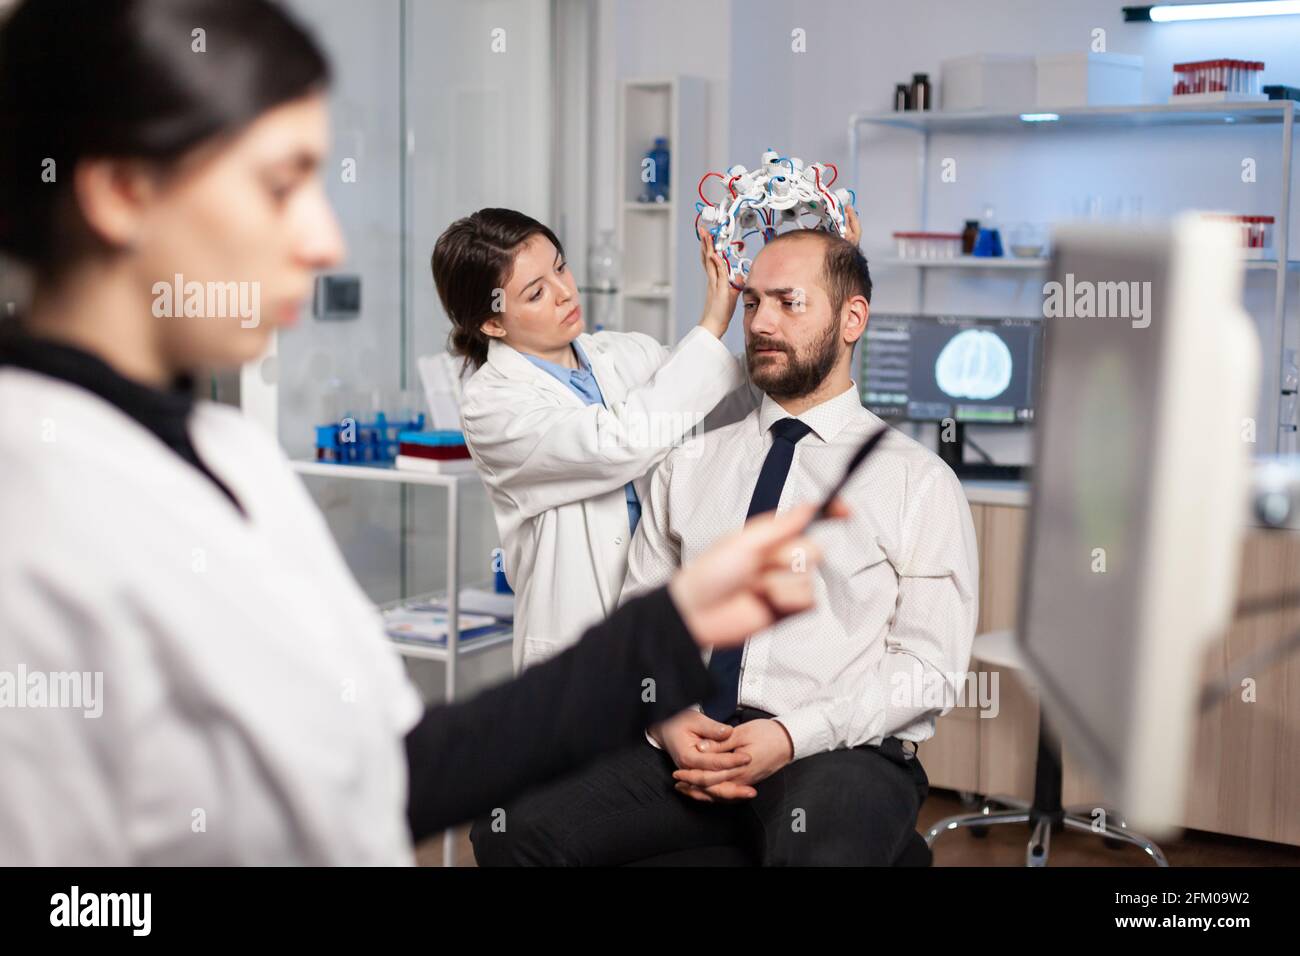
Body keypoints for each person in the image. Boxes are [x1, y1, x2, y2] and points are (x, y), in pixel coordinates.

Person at [0, 0, 836, 865]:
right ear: (121, 194)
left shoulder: (227, 454)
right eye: (279, 186)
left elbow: (385, 768)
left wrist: (666, 627)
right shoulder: (30, 502)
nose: (324, 241)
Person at [472, 229, 980, 866]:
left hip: (832, 750)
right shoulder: (690, 461)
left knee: (819, 846)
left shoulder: (915, 479)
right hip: (693, 738)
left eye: (789, 303)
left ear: (852, 319)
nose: (762, 323)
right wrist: (667, 716)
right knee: (511, 828)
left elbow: (928, 668)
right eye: (752, 303)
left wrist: (791, 736)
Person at [433, 205, 859, 670]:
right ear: (492, 323)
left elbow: (723, 404)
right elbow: (621, 443)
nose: (564, 292)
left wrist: (827, 299)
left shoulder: (622, 353)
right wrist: (712, 322)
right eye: (536, 293)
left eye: (560, 267)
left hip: (666, 628)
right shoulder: (491, 405)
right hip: (576, 648)